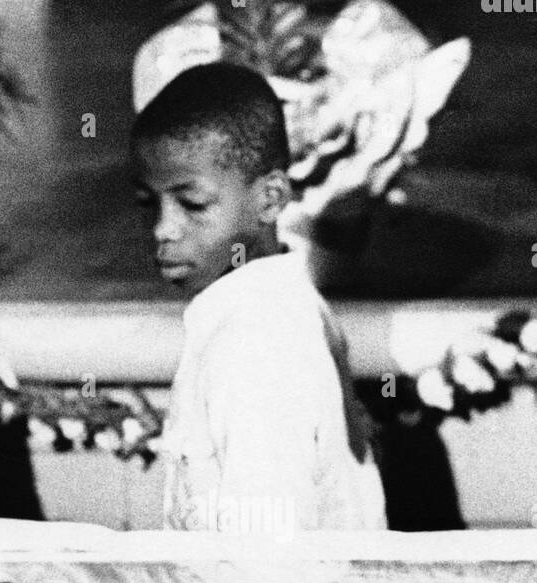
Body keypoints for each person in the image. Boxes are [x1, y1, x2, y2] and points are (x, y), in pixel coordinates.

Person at [130, 62, 386, 535]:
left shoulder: (256, 346)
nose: (163, 230)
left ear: (270, 198)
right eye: (150, 203)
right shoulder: (272, 307)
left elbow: (266, 571)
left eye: (193, 204)